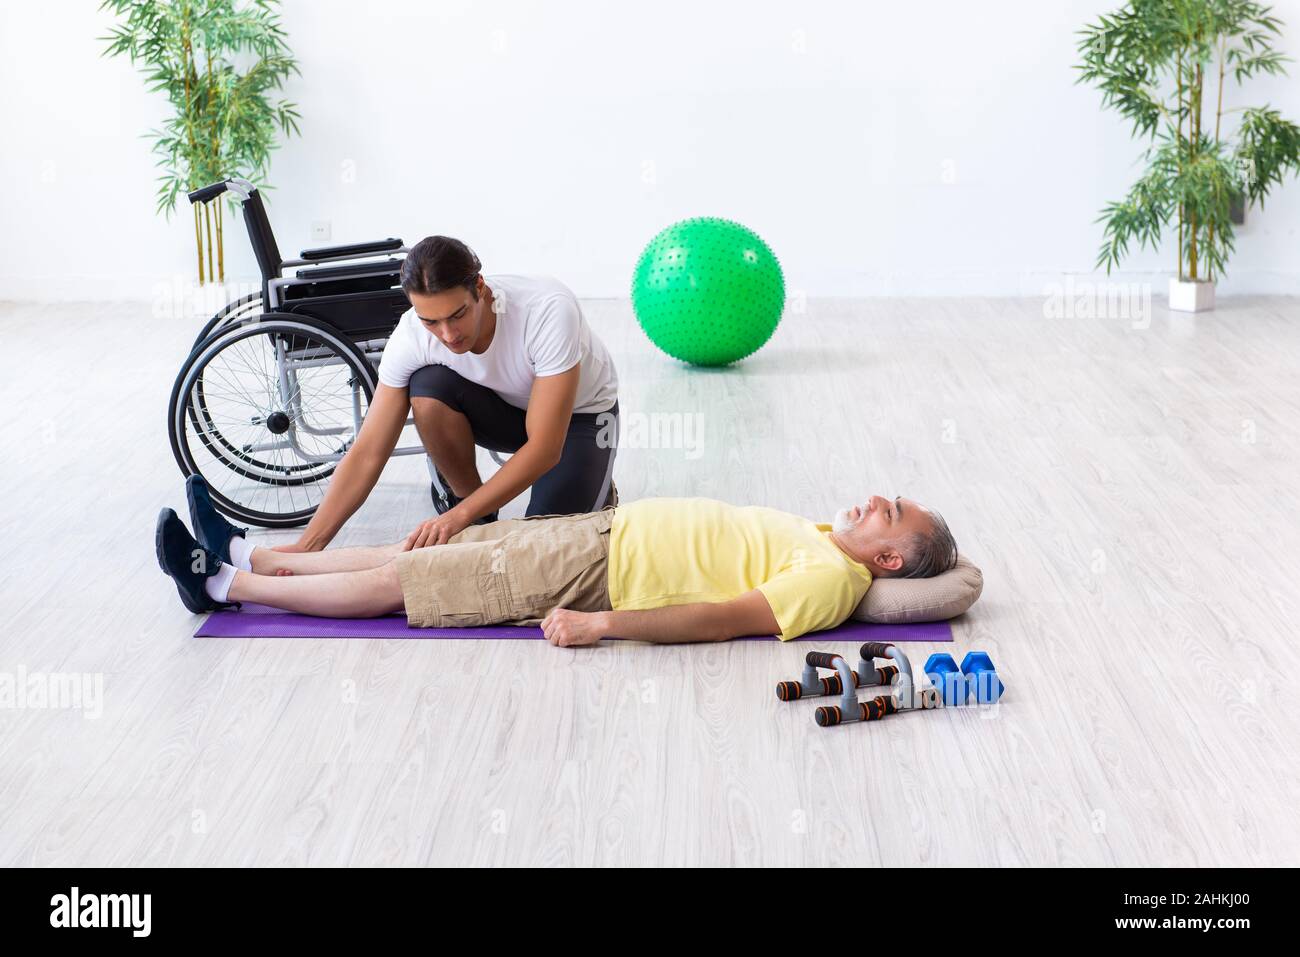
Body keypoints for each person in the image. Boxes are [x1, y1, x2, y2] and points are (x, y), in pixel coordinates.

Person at [159, 476, 960, 647]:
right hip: (598, 534)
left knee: (402, 585)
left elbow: (724, 617)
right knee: (422, 546)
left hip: (594, 577)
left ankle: (223, 585)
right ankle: (245, 547)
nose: (872, 497)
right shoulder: (827, 535)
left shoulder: (832, 577)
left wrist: (602, 622)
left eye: (887, 511)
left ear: (887, 557)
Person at [279, 236, 620, 554]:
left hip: (581, 420)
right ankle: (476, 510)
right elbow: (367, 453)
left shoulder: (546, 309)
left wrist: (454, 519)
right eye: (431, 321)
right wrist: (307, 547)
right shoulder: (411, 335)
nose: (448, 334)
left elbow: (545, 448)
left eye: (458, 315)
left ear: (480, 288)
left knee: (541, 555)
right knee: (428, 386)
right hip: (502, 409)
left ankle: (593, 482)